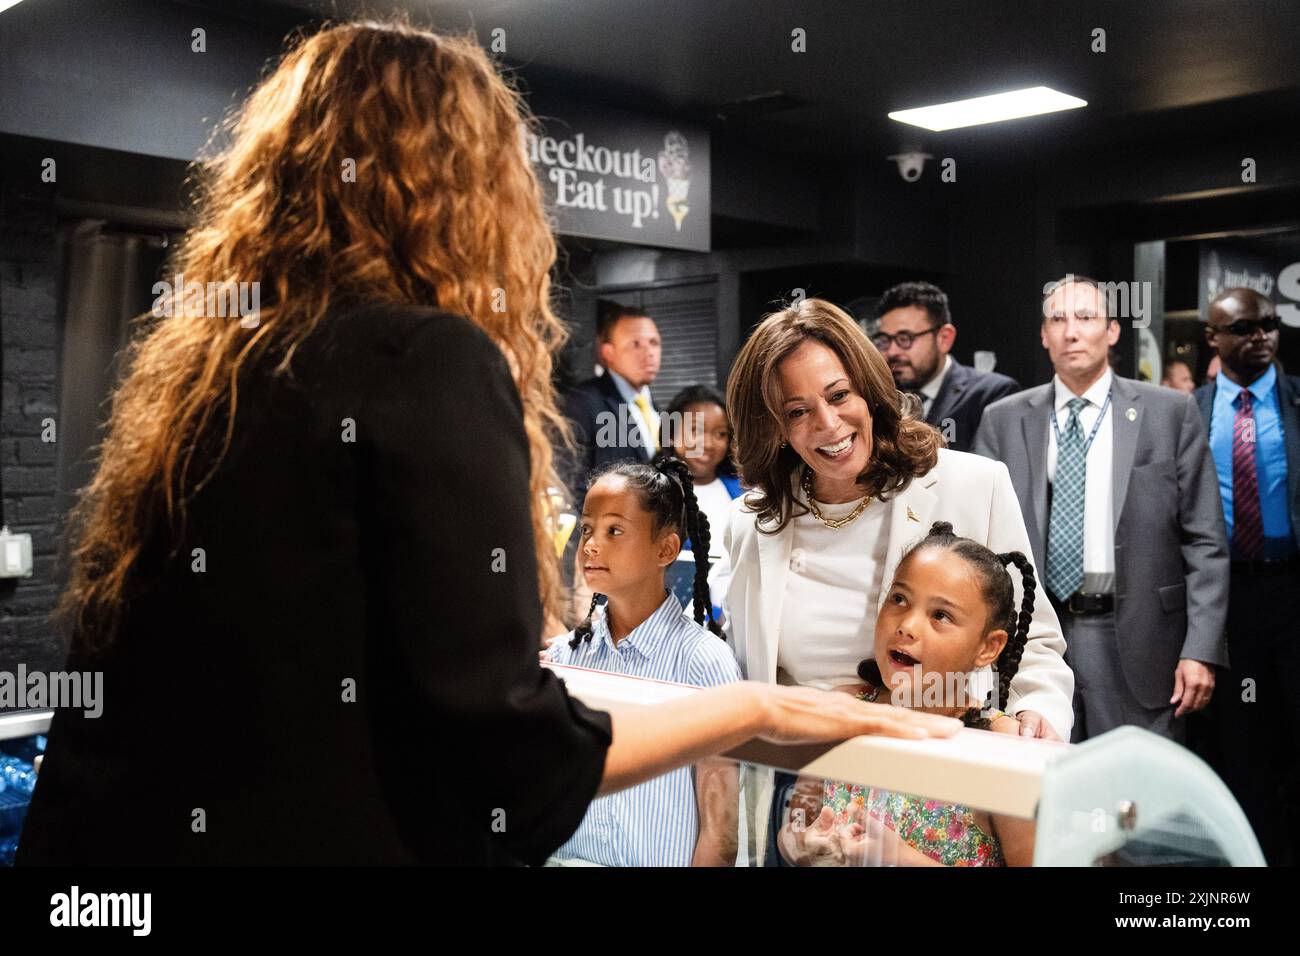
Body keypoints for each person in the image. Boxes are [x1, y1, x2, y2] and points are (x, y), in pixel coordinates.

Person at [16, 22, 959, 867]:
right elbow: (506, 758)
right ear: (468, 189)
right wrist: (754, 707)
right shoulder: (426, 357)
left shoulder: (210, 369)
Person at [718, 296, 1072, 865]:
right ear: (774, 427)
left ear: (869, 390)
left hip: (945, 779)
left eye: (838, 396)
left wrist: (1038, 721)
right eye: (797, 411)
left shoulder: (972, 484)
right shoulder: (751, 522)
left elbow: (1033, 641)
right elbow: (750, 674)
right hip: (809, 783)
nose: (828, 425)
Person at [973, 275, 1227, 744]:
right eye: (1057, 320)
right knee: (1043, 788)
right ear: (1044, 335)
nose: (1071, 331)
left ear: (1112, 331)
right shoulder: (1004, 419)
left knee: (1139, 792)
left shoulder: (1170, 412)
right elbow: (980, 544)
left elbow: (1205, 539)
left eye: (1085, 318)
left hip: (1142, 637)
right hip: (1037, 640)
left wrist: (1203, 648)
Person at [775, 521, 1041, 867]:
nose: (907, 625)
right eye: (899, 599)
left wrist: (901, 860)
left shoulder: (1005, 747)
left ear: (989, 647)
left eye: (940, 615)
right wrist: (805, 843)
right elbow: (794, 827)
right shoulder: (844, 709)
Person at [545, 457, 742, 866]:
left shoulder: (703, 662)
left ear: (666, 548)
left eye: (614, 530)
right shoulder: (566, 656)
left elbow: (719, 834)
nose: (591, 545)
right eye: (587, 529)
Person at [1195, 286, 1300, 865]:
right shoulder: (1188, 413)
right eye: (1243, 329)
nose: (1260, 337)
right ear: (1214, 338)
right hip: (1226, 596)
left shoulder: (1296, 401)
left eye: (1269, 325)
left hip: (1292, 587)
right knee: (1244, 739)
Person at [873, 281, 1019, 452]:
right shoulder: (879, 398)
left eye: (905, 339)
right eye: (884, 340)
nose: (892, 351)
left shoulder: (990, 394)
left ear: (944, 338)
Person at [656, 384, 744, 620]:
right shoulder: (652, 494)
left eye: (720, 433)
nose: (708, 442)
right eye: (696, 430)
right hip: (679, 625)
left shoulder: (745, 492)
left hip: (741, 621)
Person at [562, 300, 663, 505]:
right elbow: (571, 490)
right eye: (636, 344)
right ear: (608, 353)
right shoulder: (580, 403)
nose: (649, 352)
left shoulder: (655, 409)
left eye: (654, 343)